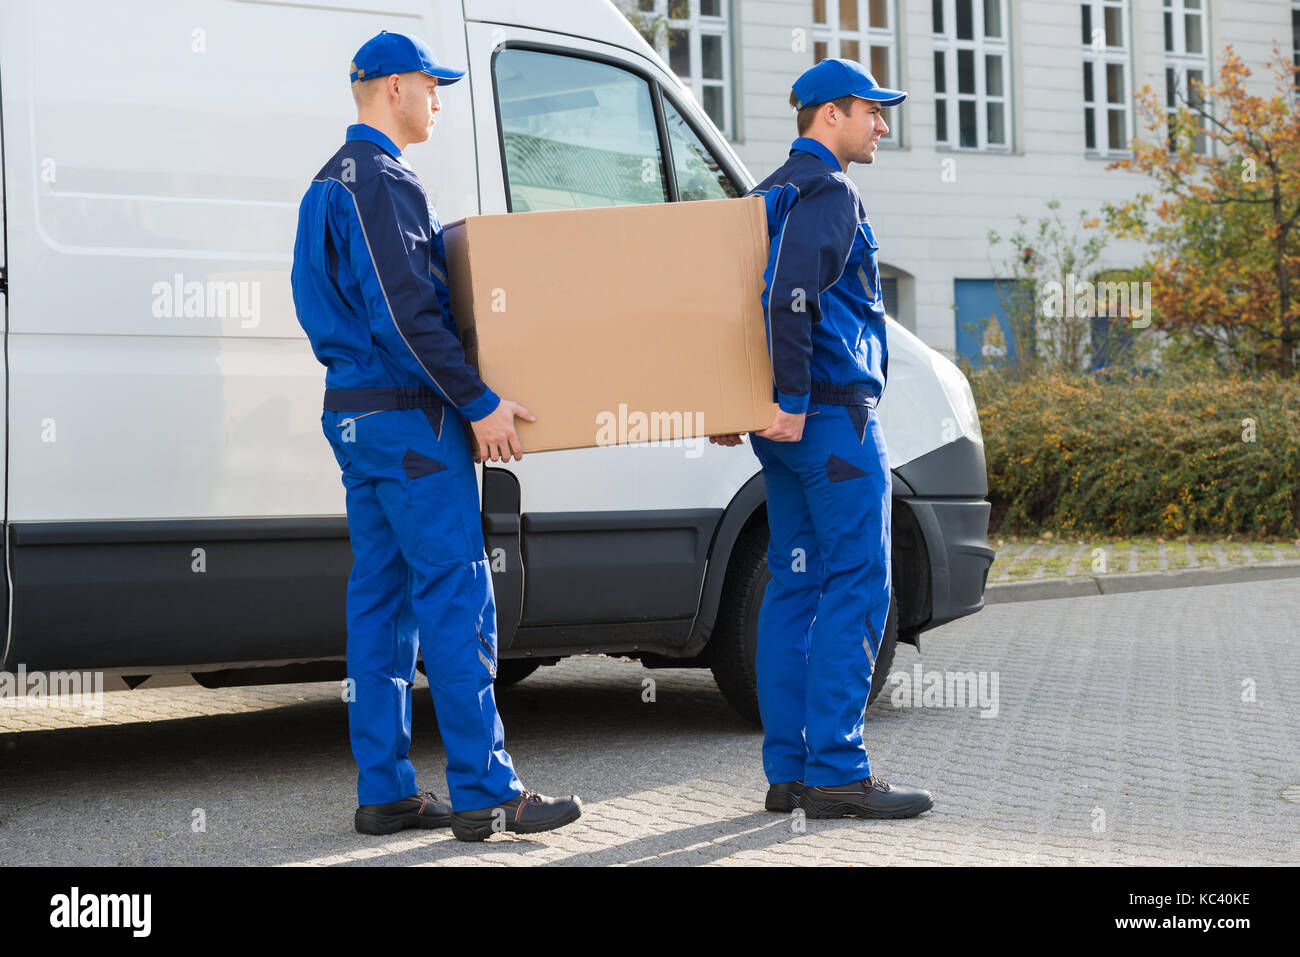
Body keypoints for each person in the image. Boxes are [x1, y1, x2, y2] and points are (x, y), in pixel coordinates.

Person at [290, 30, 581, 842]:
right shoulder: (380, 182)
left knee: (380, 604)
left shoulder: (323, 186)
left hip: (356, 417)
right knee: (456, 598)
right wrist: (478, 400)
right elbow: (407, 312)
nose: (439, 99)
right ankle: (488, 789)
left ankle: (385, 790)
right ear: (392, 88)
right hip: (414, 423)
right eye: (431, 84)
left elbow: (324, 307)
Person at [711, 59, 934, 820]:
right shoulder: (828, 191)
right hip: (830, 421)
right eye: (872, 111)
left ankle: (790, 773)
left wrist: (743, 399)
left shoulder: (765, 193)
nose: (882, 124)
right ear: (830, 116)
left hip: (783, 430)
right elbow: (788, 296)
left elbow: (731, 305)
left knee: (797, 585)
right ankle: (838, 768)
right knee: (859, 585)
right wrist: (798, 400)